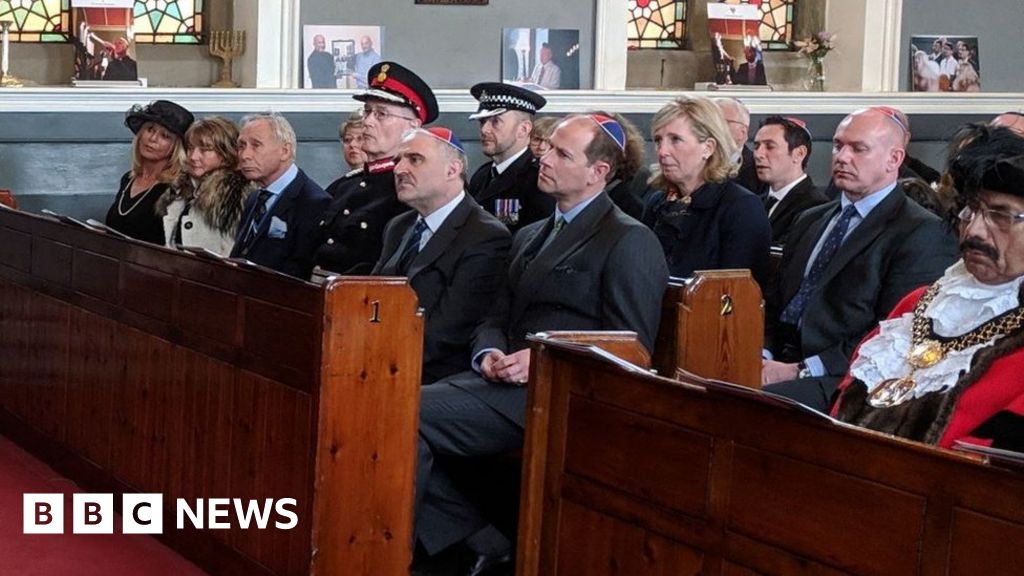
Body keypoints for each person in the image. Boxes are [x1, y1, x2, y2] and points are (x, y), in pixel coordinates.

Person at [413, 113, 668, 575]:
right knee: (388, 403)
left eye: (561, 153)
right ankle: (476, 535)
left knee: (401, 410)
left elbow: (632, 347)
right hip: (499, 382)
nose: (543, 158)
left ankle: (436, 545)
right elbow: (495, 315)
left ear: (598, 173)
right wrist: (488, 351)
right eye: (547, 147)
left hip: (560, 392)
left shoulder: (629, 239)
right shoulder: (531, 233)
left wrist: (542, 357)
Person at [832, 125, 1024, 451]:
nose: (975, 230)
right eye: (970, 210)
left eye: (1001, 216)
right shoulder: (915, 304)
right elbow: (841, 405)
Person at [762, 106, 959, 410]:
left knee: (752, 407)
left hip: (848, 378)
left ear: (894, 159)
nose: (841, 157)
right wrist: (765, 356)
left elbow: (896, 335)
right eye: (839, 145)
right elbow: (776, 303)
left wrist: (801, 369)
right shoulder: (810, 220)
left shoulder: (921, 232)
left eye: (858, 148)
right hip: (780, 362)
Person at [373, 127, 511, 385]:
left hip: (433, 373)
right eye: (398, 160)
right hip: (382, 358)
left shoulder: (485, 235)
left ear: (452, 170)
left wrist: (374, 362)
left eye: (415, 159)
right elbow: (369, 299)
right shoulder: (398, 226)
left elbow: (448, 332)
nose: (399, 169)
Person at [314, 61, 438, 274]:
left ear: (413, 126)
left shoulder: (411, 190)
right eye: (367, 111)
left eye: (382, 114)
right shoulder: (344, 186)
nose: (368, 121)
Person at [642, 96, 771, 286]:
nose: (662, 151)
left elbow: (736, 295)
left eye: (675, 139)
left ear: (708, 148)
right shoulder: (657, 203)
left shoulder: (741, 207)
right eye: (658, 140)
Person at [230, 113, 331, 279]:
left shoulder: (315, 203)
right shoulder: (254, 198)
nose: (244, 155)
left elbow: (301, 274)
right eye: (241, 146)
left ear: (284, 151)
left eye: (256, 145)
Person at [157, 116, 253, 255]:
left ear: (226, 153)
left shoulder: (236, 194)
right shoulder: (180, 189)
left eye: (205, 149)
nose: (193, 157)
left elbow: (231, 258)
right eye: (190, 148)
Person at [466, 82, 552, 233]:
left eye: (495, 121)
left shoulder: (539, 179)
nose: (485, 130)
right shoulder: (481, 176)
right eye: (482, 121)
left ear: (523, 129)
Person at [106, 100, 193, 244]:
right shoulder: (127, 179)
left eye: (165, 136)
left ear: (175, 147)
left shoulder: (177, 188)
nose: (153, 139)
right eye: (150, 129)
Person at [752, 116, 828, 246]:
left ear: (799, 154)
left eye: (769, 146)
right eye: (756, 146)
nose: (758, 154)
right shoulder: (755, 201)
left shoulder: (816, 207)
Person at [714, 97, 760, 194]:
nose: (712, 128)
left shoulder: (758, 169)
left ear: (742, 132)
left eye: (720, 122)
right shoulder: (696, 162)